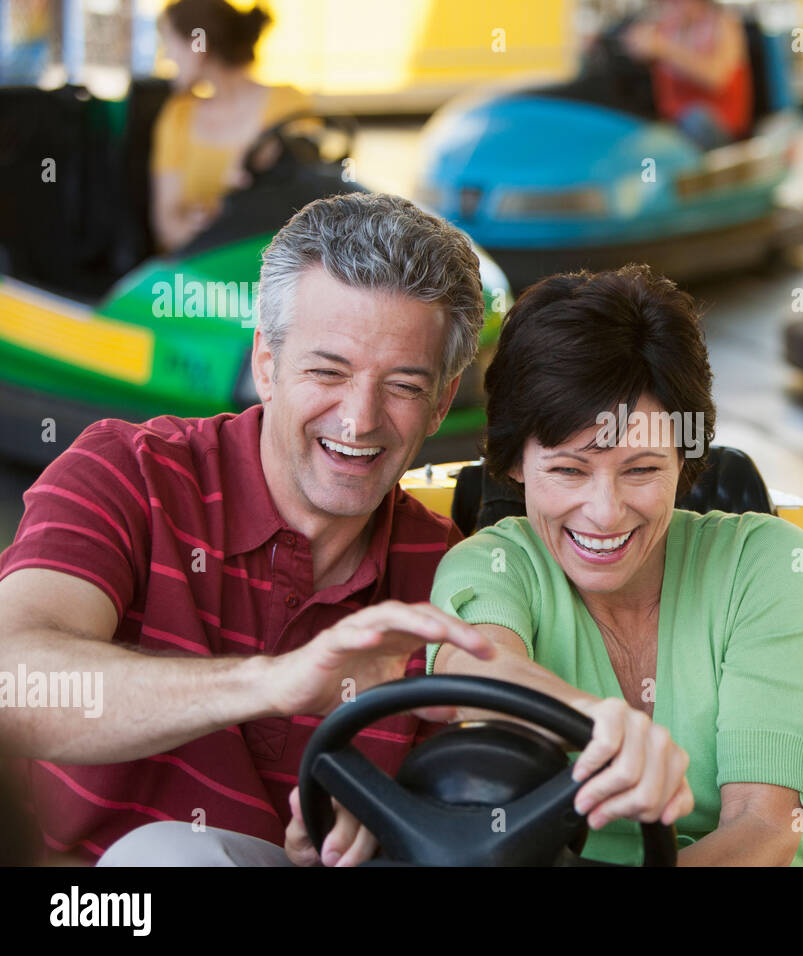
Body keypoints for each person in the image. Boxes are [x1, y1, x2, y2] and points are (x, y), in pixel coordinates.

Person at [0, 193, 497, 866]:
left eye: (404, 387)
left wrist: (385, 826)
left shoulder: (452, 572)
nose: (358, 419)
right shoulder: (128, 472)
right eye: (328, 371)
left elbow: (496, 760)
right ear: (266, 363)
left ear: (442, 402)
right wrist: (272, 682)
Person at [426, 266, 803, 866]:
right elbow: (479, 670)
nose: (604, 513)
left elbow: (766, 829)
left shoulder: (768, 564)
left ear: (685, 458)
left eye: (642, 470)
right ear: (516, 461)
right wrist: (596, 721)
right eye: (569, 471)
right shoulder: (493, 565)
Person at [151, 0, 311, 252]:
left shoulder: (287, 103)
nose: (166, 56)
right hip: (201, 265)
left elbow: (308, 202)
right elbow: (168, 227)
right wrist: (206, 228)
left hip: (271, 261)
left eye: (168, 43)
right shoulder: (177, 115)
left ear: (197, 47)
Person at [622, 0, 753, 150]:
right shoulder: (667, 27)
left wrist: (664, 48)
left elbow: (716, 78)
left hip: (720, 130)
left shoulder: (723, 24)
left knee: (696, 119)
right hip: (674, 127)